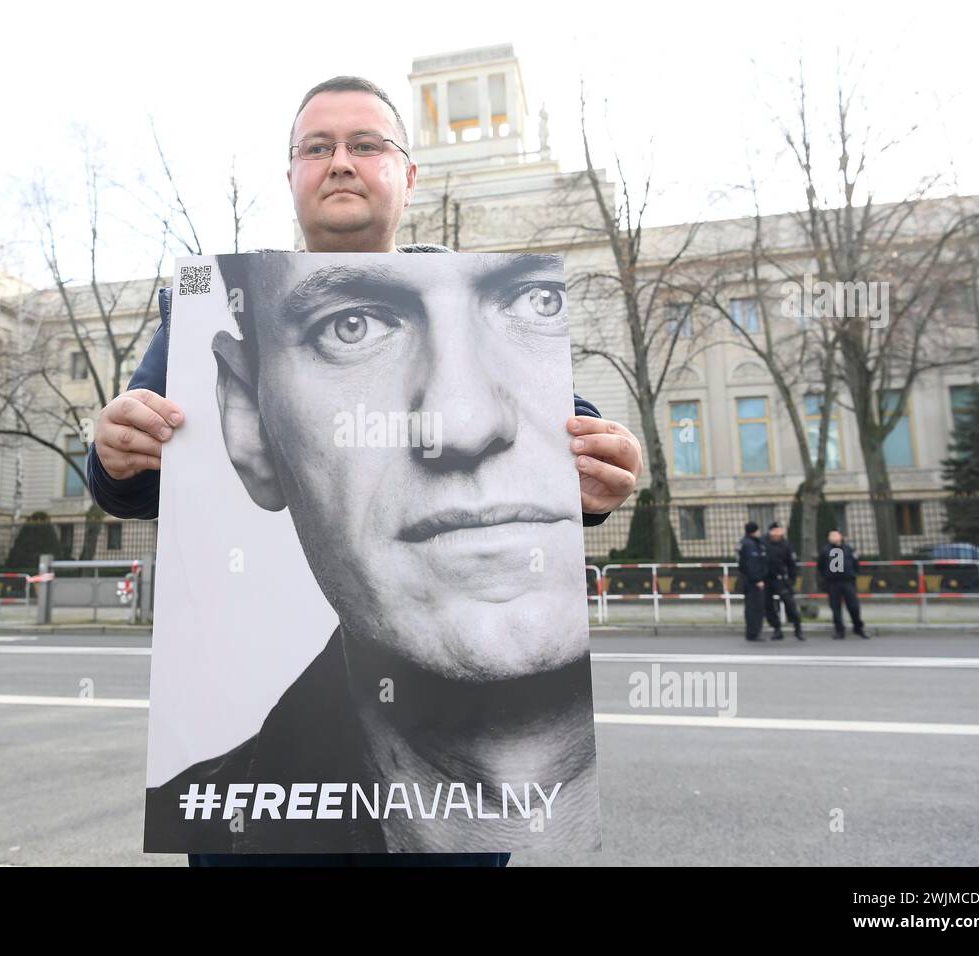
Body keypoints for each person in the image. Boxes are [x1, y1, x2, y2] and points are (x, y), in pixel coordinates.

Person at [86, 76, 646, 866]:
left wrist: (605, 470)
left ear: (407, 176)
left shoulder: (487, 293)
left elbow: (575, 445)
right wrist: (118, 450)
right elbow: (136, 469)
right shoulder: (210, 302)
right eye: (317, 148)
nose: (341, 162)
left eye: (367, 145)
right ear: (292, 178)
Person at [144, 251, 605, 857]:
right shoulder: (214, 821)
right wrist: (117, 464)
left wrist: (597, 472)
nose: (462, 423)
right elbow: (134, 456)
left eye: (539, 303)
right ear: (249, 422)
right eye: (350, 326)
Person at [817, 529, 868, 639]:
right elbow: (820, 566)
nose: (833, 537)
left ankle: (858, 627)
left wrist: (854, 574)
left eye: (835, 535)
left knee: (854, 606)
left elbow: (855, 563)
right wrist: (826, 578)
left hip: (847, 581)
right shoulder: (825, 550)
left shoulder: (848, 549)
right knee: (835, 608)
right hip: (833, 582)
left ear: (840, 536)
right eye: (831, 535)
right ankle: (839, 630)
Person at [763, 521, 804, 640]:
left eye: (779, 531)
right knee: (768, 606)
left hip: (781, 579)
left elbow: (792, 564)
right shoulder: (763, 543)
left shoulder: (786, 545)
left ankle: (798, 628)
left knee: (790, 604)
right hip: (767, 579)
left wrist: (791, 580)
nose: (778, 534)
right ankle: (776, 629)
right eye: (775, 531)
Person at [737, 522, 769, 642]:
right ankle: (754, 632)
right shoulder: (750, 545)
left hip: (746, 579)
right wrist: (757, 580)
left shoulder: (743, 542)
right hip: (752, 581)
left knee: (750, 607)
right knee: (755, 607)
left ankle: (752, 632)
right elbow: (752, 564)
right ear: (754, 531)